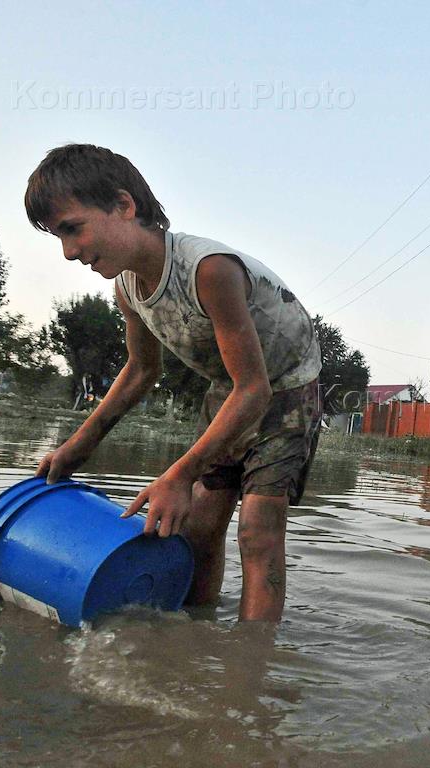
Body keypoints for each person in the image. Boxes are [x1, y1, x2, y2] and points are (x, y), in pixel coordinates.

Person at [25, 144, 321, 622]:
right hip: (232, 387)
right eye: (59, 237)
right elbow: (142, 370)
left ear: (124, 206)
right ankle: (196, 632)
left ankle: (250, 669)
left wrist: (178, 475)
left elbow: (258, 389)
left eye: (72, 229)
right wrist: (77, 446)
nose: (69, 252)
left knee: (256, 530)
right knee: (200, 528)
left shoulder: (209, 270)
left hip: (288, 386)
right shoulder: (126, 286)